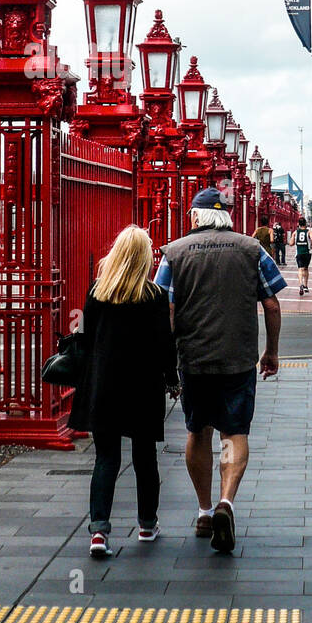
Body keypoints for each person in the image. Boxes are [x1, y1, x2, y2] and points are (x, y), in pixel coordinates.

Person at [154, 187, 286, 554]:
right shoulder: (251, 249)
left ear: (195, 218)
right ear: (227, 217)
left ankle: (204, 510)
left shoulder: (174, 253)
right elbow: (272, 305)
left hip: (193, 360)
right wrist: (270, 353)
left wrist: (168, 361)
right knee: (234, 431)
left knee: (198, 431)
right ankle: (227, 501)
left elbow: (161, 308)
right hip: (238, 359)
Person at [68, 226, 179, 559]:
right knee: (145, 458)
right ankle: (147, 525)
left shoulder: (97, 292)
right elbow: (164, 344)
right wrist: (172, 378)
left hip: (104, 386)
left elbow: (84, 341)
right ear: (145, 258)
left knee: (106, 458)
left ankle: (99, 531)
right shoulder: (155, 297)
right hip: (143, 387)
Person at [293, 215, 312, 295]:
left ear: (298, 224)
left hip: (299, 253)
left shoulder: (295, 232)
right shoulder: (309, 232)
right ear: (305, 223)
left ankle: (300, 284)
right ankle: (305, 285)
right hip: (307, 253)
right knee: (306, 268)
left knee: (300, 269)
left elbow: (291, 243)